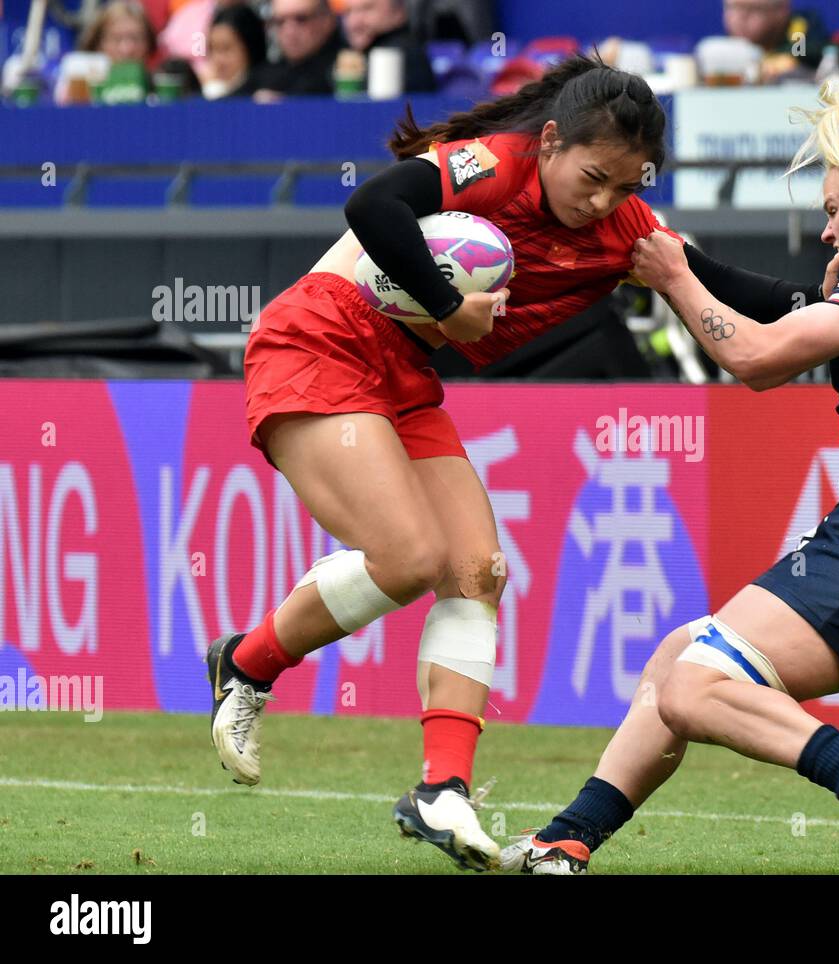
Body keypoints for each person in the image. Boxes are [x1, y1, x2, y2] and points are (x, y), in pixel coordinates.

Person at [500, 63, 839, 876]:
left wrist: (671, 279)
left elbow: (760, 358)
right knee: (676, 663)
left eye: (834, 210)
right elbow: (778, 303)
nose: (828, 231)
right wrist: (670, 253)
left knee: (697, 688)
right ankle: (569, 839)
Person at [206, 53, 671, 874]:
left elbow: (719, 280)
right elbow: (374, 202)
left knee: (475, 568)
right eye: (595, 177)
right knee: (409, 557)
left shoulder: (618, 226)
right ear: (554, 141)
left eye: (626, 187)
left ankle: (441, 791)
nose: (604, 202)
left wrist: (836, 300)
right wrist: (454, 309)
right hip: (321, 336)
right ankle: (247, 664)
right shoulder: (495, 162)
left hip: (403, 375)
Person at [342, 0, 438, 93]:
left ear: (398, 12)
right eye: (348, 11)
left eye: (367, 9)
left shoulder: (401, 53)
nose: (354, 22)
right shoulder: (353, 51)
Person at [254, 0, 345, 97]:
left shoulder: (348, 69)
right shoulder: (263, 75)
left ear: (327, 20)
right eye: (280, 22)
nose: (289, 31)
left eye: (301, 19)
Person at [204, 3, 267, 98]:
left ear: (250, 48)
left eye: (226, 49)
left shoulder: (266, 91)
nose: (218, 60)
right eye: (213, 49)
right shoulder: (207, 90)